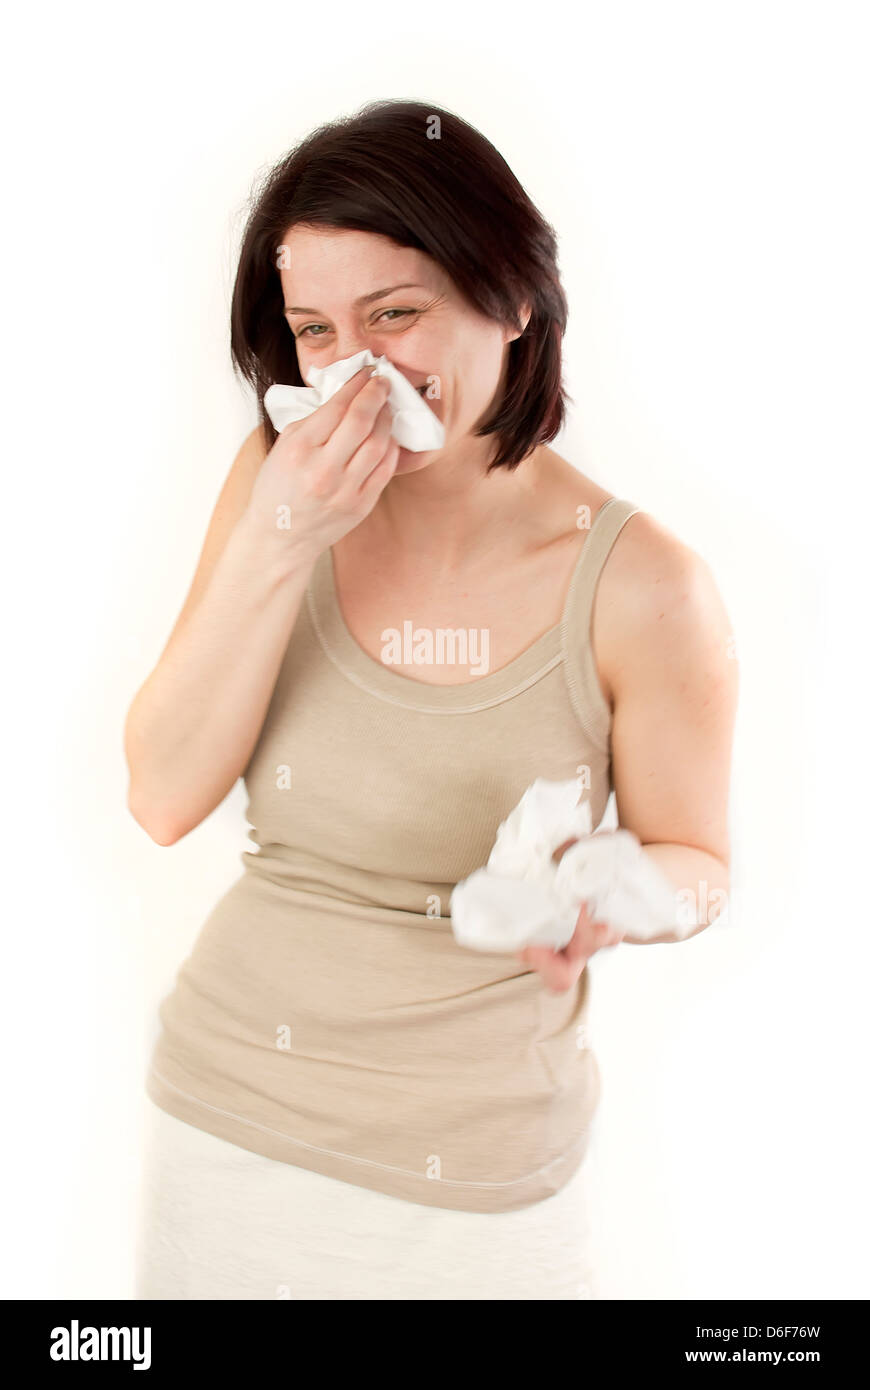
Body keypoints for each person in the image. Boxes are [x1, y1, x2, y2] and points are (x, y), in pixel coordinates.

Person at [125, 98, 738, 1300]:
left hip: (486, 1189)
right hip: (225, 1125)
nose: (357, 368)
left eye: (396, 314)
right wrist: (280, 540)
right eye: (315, 330)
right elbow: (159, 794)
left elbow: (701, 857)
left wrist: (619, 893)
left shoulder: (647, 585)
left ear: (511, 300)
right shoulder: (275, 482)